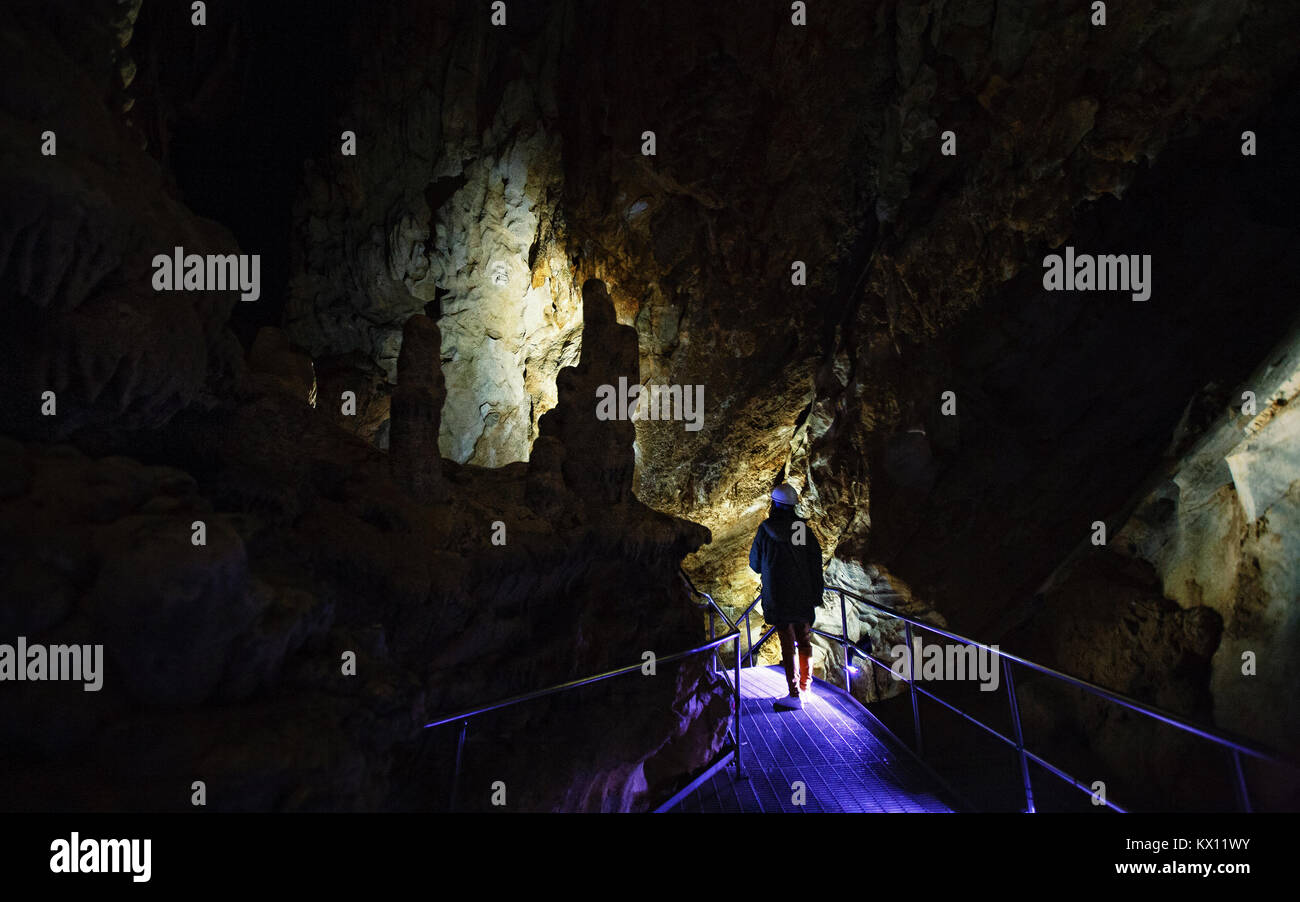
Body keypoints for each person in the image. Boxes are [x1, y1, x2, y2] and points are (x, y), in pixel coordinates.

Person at [748, 483, 823, 710]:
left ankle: (793, 694)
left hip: (779, 594)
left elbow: (755, 564)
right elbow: (812, 562)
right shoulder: (801, 530)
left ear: (774, 504)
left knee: (787, 643)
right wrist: (815, 593)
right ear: (793, 506)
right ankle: (805, 689)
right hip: (801, 594)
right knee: (804, 640)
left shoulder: (766, 529)